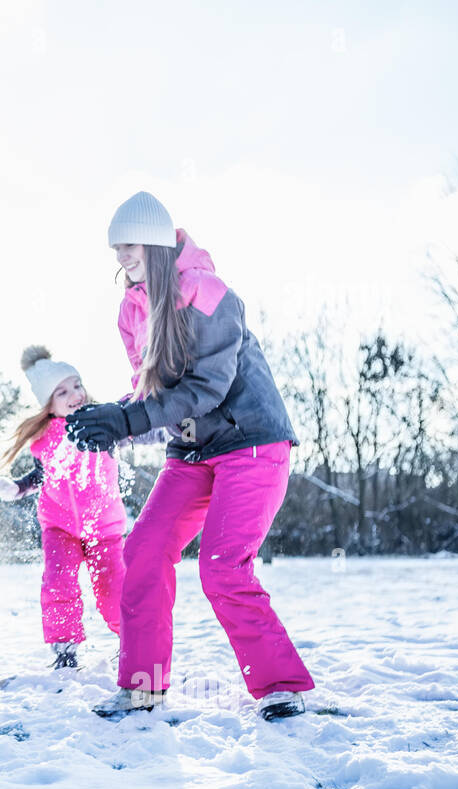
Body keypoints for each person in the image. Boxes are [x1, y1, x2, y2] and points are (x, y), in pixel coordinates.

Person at [66, 191, 315, 722]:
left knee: (222, 567)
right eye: (115, 249)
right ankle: (142, 686)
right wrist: (114, 422)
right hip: (193, 452)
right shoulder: (133, 310)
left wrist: (132, 418)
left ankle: (281, 687)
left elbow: (207, 386)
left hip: (250, 441)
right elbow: (154, 395)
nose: (121, 258)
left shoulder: (209, 293)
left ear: (154, 244)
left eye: (129, 245)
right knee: (144, 551)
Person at [0, 346, 128, 669]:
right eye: (62, 391)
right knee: (58, 582)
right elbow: (41, 476)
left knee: (114, 590)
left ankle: (132, 642)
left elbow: (131, 423)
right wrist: (14, 487)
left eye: (77, 385)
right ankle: (65, 652)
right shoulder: (44, 438)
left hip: (104, 527)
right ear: (49, 403)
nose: (75, 394)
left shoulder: (102, 421)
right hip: (59, 525)